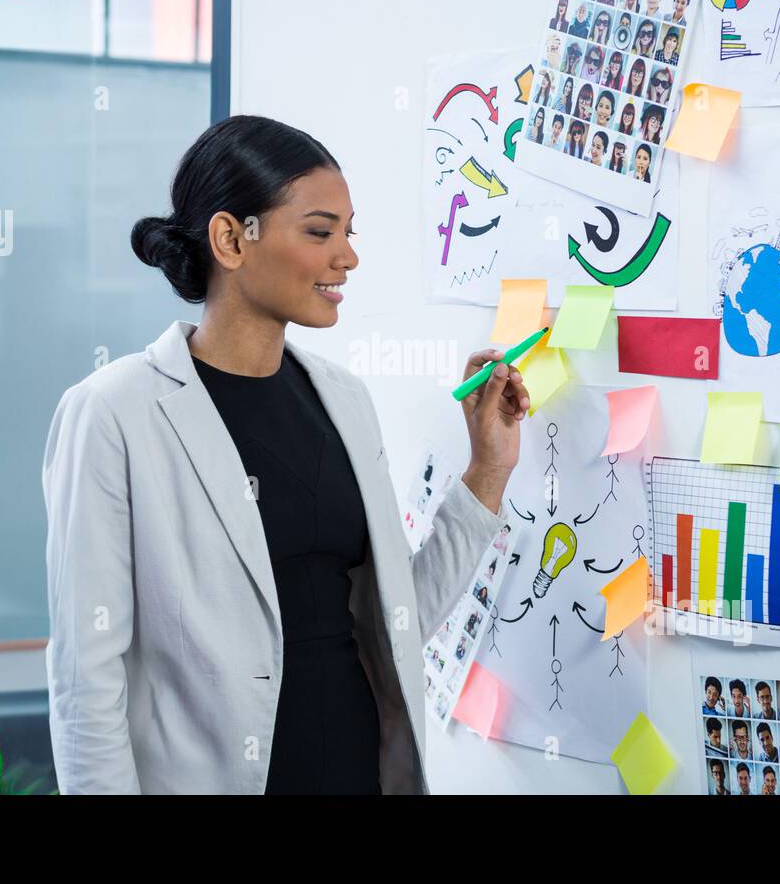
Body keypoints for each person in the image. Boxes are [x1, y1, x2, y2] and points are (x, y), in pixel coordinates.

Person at [43, 115, 529, 795]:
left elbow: (396, 623)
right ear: (229, 240)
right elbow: (85, 679)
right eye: (320, 232)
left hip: (356, 773)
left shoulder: (344, 400)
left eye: (348, 234)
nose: (348, 257)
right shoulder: (114, 412)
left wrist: (488, 469)